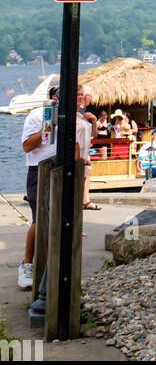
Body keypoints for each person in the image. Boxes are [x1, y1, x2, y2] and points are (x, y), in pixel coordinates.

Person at [19, 86, 93, 289]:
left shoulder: (71, 118)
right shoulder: (36, 115)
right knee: (39, 218)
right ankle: (27, 263)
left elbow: (76, 145)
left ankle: (59, 264)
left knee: (64, 217)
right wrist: (46, 127)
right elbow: (26, 146)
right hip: (39, 170)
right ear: (53, 98)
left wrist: (77, 169)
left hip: (65, 169)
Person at [78, 89, 99, 211]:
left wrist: (94, 120)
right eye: (80, 95)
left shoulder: (86, 113)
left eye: (84, 95)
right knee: (81, 176)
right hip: (79, 152)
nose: (86, 98)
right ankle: (81, 201)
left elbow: (94, 134)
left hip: (85, 150)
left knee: (87, 175)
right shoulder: (77, 112)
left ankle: (86, 200)